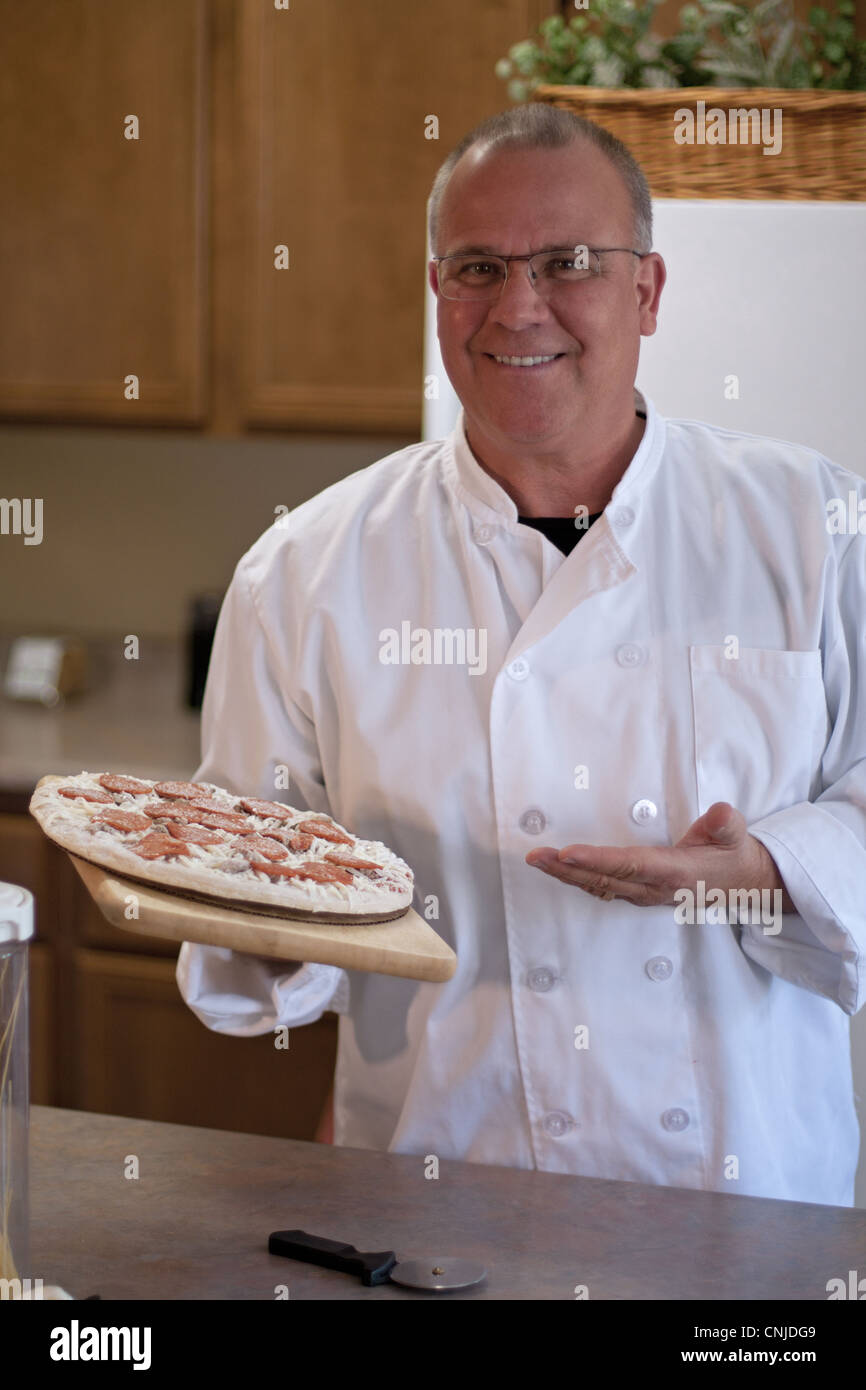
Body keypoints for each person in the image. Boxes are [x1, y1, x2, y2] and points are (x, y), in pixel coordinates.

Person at [177, 104, 866, 1206]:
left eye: (568, 262)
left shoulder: (816, 526)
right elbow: (239, 900)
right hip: (440, 1192)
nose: (518, 305)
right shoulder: (303, 569)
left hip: (749, 1215)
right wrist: (250, 911)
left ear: (646, 291)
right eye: (478, 268)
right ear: (437, 290)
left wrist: (767, 871)